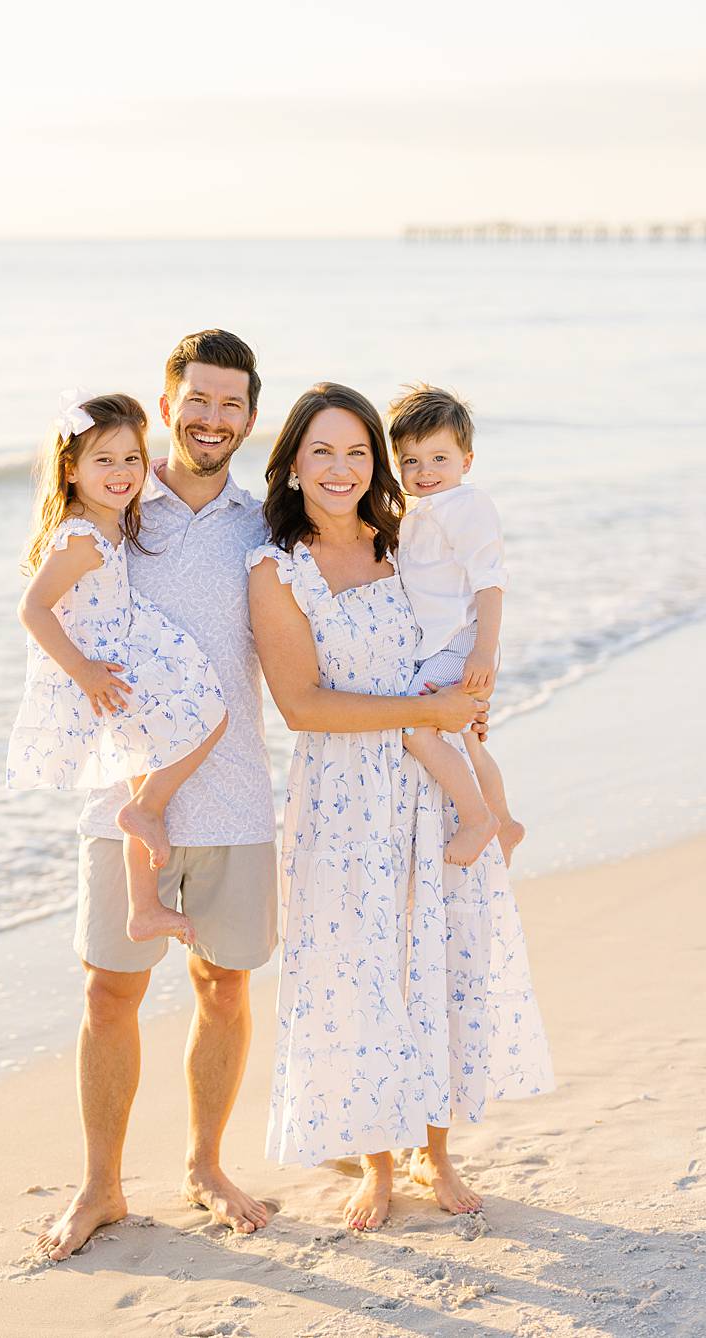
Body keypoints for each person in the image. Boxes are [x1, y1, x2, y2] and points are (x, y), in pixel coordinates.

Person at [246, 381, 552, 1230]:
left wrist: (472, 688)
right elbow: (302, 707)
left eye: (356, 452)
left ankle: (437, 1152)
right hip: (341, 801)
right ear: (295, 464)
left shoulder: (405, 537)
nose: (341, 469)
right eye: (322, 452)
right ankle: (377, 1163)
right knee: (363, 974)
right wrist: (427, 712)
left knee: (436, 963)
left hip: (426, 794)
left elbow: (464, 620)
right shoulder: (276, 568)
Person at [37, 330, 282, 1258]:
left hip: (233, 786)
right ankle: (101, 1185)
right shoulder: (118, 502)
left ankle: (205, 1165)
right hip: (125, 789)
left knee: (223, 986)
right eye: (198, 399)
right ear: (168, 400)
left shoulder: (266, 525)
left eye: (231, 404)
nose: (212, 418)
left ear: (251, 418)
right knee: (109, 991)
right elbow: (49, 590)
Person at [8, 390, 226, 947]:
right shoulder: (81, 536)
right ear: (71, 470)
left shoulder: (105, 515)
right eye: (103, 460)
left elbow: (151, 473)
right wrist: (83, 672)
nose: (123, 472)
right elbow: (32, 608)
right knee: (212, 715)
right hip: (113, 666)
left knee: (140, 776)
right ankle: (148, 815)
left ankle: (143, 907)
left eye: (132, 458)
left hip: (124, 653)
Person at [389, 384, 525, 866]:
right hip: (447, 644)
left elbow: (490, 581)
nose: (424, 472)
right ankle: (505, 822)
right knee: (468, 737)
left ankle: (477, 819)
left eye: (439, 459)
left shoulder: (466, 505)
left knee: (413, 726)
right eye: (410, 461)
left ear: (466, 460)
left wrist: (483, 652)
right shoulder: (422, 510)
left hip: (462, 643)